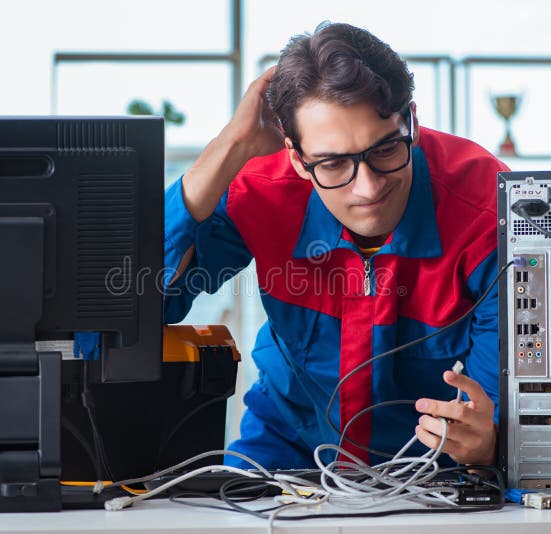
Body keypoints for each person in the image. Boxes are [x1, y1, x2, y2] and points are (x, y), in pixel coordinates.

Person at [163, 21, 508, 469]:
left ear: (414, 123)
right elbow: (138, 308)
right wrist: (231, 145)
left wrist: (491, 449)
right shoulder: (261, 190)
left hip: (437, 470)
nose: (366, 188)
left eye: (384, 150)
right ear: (296, 158)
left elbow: (500, 413)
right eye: (332, 163)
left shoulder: (492, 210)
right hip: (286, 453)